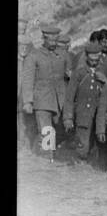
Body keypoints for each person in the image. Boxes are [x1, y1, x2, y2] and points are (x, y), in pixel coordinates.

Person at [21, 23, 67, 155]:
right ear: (44, 39)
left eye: (55, 40)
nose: (53, 43)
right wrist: (28, 101)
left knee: (60, 130)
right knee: (46, 130)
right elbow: (28, 79)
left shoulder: (61, 55)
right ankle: (47, 158)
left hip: (60, 100)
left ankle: (44, 150)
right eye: (50, 40)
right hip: (42, 100)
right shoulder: (34, 55)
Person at [65, 41, 107, 168]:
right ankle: (80, 167)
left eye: (97, 60)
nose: (94, 62)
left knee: (98, 145)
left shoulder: (106, 70)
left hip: (100, 117)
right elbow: (69, 97)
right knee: (82, 145)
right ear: (86, 56)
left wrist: (106, 81)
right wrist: (68, 117)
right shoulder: (79, 73)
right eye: (91, 60)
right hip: (83, 114)